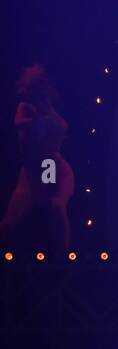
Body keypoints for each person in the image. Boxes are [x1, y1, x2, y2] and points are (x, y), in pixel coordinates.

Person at [0, 65, 73, 254]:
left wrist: (45, 117)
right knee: (11, 220)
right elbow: (21, 126)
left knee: (56, 205)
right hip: (34, 170)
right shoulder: (26, 109)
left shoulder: (49, 110)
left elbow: (61, 127)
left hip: (53, 166)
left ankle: (62, 257)